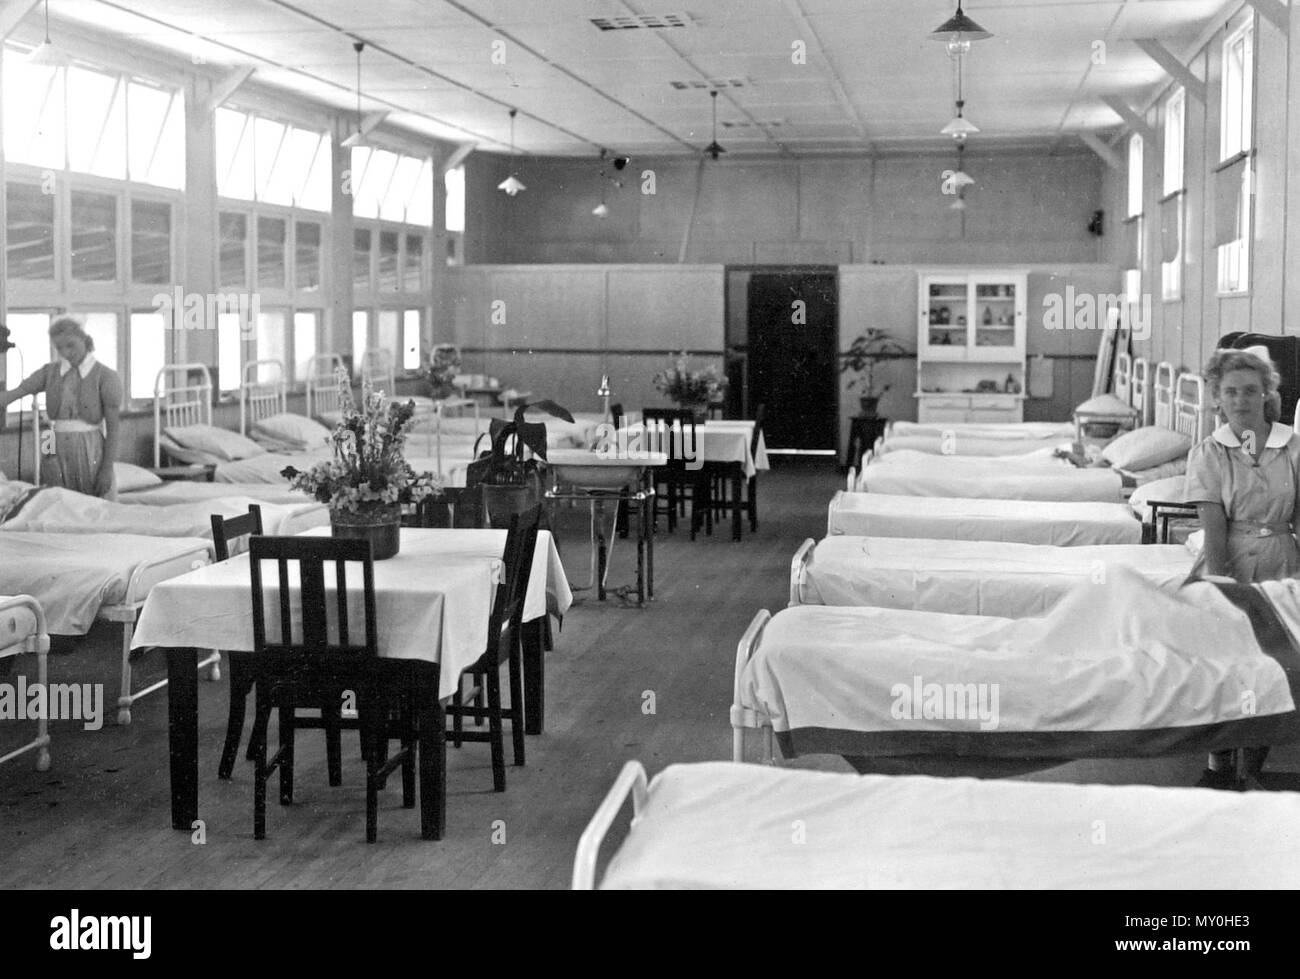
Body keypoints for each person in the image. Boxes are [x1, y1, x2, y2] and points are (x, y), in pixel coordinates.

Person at [1184, 347, 1300, 789]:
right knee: (1226, 662)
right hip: (1229, 556)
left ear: (1267, 393)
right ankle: (1218, 766)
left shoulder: (1292, 446)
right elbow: (1214, 531)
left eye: (1250, 391)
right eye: (1230, 392)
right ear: (1217, 397)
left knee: (1275, 665)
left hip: (1283, 561)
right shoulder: (1209, 453)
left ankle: (1251, 767)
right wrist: (1220, 588)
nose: (1240, 400)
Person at [0, 317, 123, 498]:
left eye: (70, 345)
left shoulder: (105, 376)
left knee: (91, 503)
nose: (65, 352)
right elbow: (15, 393)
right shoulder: (49, 372)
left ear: (84, 340)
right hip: (52, 439)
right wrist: (47, 458)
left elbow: (113, 430)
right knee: (57, 501)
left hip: (90, 446)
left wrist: (106, 469)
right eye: (59, 348)